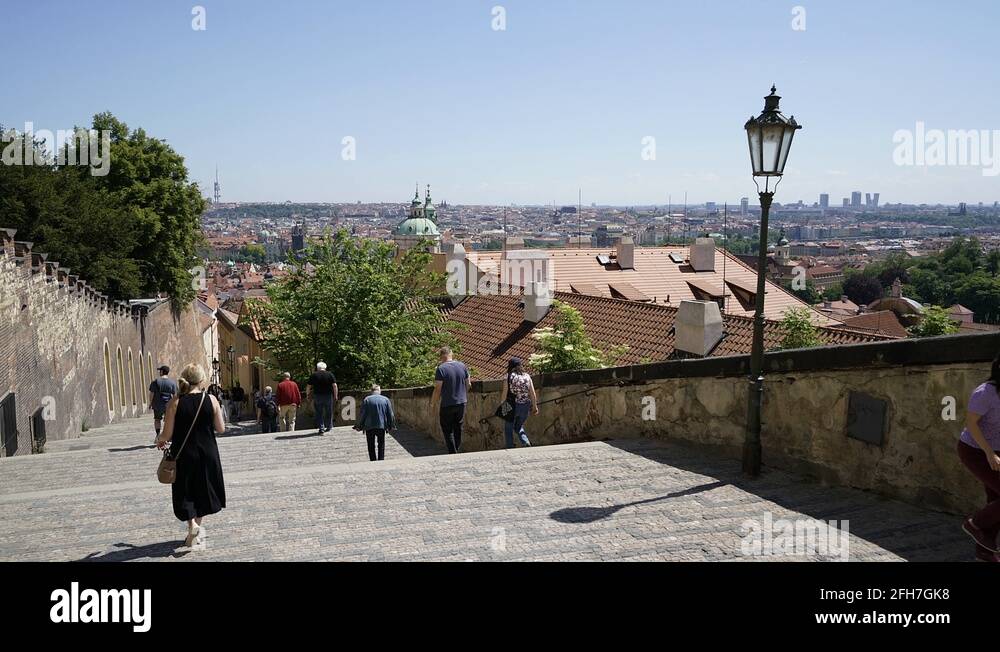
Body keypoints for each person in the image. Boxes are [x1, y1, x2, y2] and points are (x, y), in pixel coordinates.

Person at [155, 363, 227, 549]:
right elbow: (221, 428)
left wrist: (159, 440)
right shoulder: (211, 400)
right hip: (207, 453)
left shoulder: (176, 402)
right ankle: (195, 532)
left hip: (184, 454)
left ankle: (192, 527)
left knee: (185, 491)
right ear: (201, 380)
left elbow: (167, 434)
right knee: (203, 489)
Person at [958, 352, 1000, 562]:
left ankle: (984, 553)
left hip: (997, 452)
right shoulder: (986, 392)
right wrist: (989, 453)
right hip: (975, 450)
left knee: (995, 500)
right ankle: (974, 524)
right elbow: (971, 424)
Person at [430, 346, 471, 454]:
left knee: (447, 429)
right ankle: (456, 449)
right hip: (461, 402)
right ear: (451, 354)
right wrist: (463, 395)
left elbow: (438, 388)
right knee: (458, 427)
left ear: (441, 356)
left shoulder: (441, 369)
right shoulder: (462, 366)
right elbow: (469, 384)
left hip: (447, 404)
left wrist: (433, 403)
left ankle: (452, 452)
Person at [502, 357, 538, 449]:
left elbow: (504, 393)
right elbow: (532, 393)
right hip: (525, 405)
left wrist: (503, 405)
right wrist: (534, 406)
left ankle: (510, 446)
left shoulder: (508, 376)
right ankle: (525, 441)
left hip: (512, 405)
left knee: (508, 427)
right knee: (518, 426)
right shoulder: (527, 376)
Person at [355, 384, 396, 461]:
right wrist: (391, 425)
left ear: (371, 391)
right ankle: (381, 459)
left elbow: (362, 414)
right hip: (381, 425)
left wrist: (359, 426)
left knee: (370, 445)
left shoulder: (367, 399)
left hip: (369, 426)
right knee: (381, 444)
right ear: (379, 391)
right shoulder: (385, 399)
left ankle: (373, 460)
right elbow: (390, 414)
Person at [148, 365, 178, 442]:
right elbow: (175, 395)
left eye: (160, 371)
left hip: (157, 404)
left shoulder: (155, 382)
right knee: (168, 420)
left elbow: (152, 394)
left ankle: (158, 435)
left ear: (162, 372)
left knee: (157, 419)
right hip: (168, 405)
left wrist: (150, 403)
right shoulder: (172, 383)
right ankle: (168, 436)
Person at [307, 362, 338, 434]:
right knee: (329, 411)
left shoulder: (314, 375)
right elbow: (335, 386)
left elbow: (308, 386)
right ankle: (329, 426)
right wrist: (335, 395)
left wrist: (308, 395)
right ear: (325, 367)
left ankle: (321, 428)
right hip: (328, 395)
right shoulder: (330, 374)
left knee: (319, 412)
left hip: (317, 396)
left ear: (318, 368)